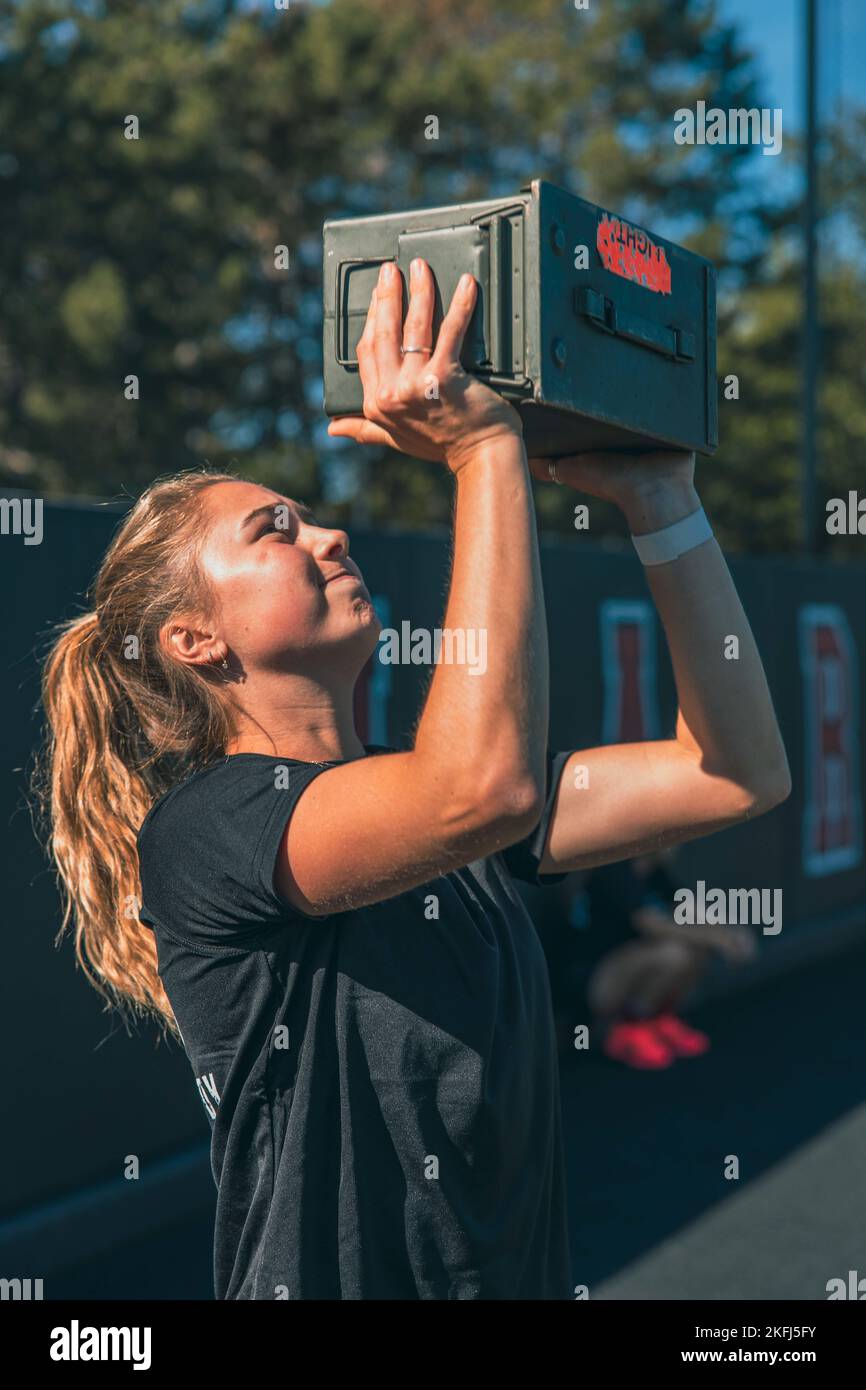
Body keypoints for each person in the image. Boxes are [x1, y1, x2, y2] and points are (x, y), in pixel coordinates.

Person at [37, 257, 791, 1300]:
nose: (328, 531)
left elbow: (733, 774)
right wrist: (484, 452)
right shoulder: (205, 829)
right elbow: (475, 790)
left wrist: (662, 502)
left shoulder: (436, 804)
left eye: (306, 514)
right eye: (276, 529)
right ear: (195, 639)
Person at [547, 851, 758, 1069]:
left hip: (624, 970)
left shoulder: (656, 874)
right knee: (674, 953)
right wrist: (717, 939)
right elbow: (649, 924)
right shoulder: (614, 871)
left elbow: (690, 910)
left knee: (696, 950)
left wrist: (731, 934)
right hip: (595, 982)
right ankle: (628, 1028)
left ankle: (658, 1019)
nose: (677, 845)